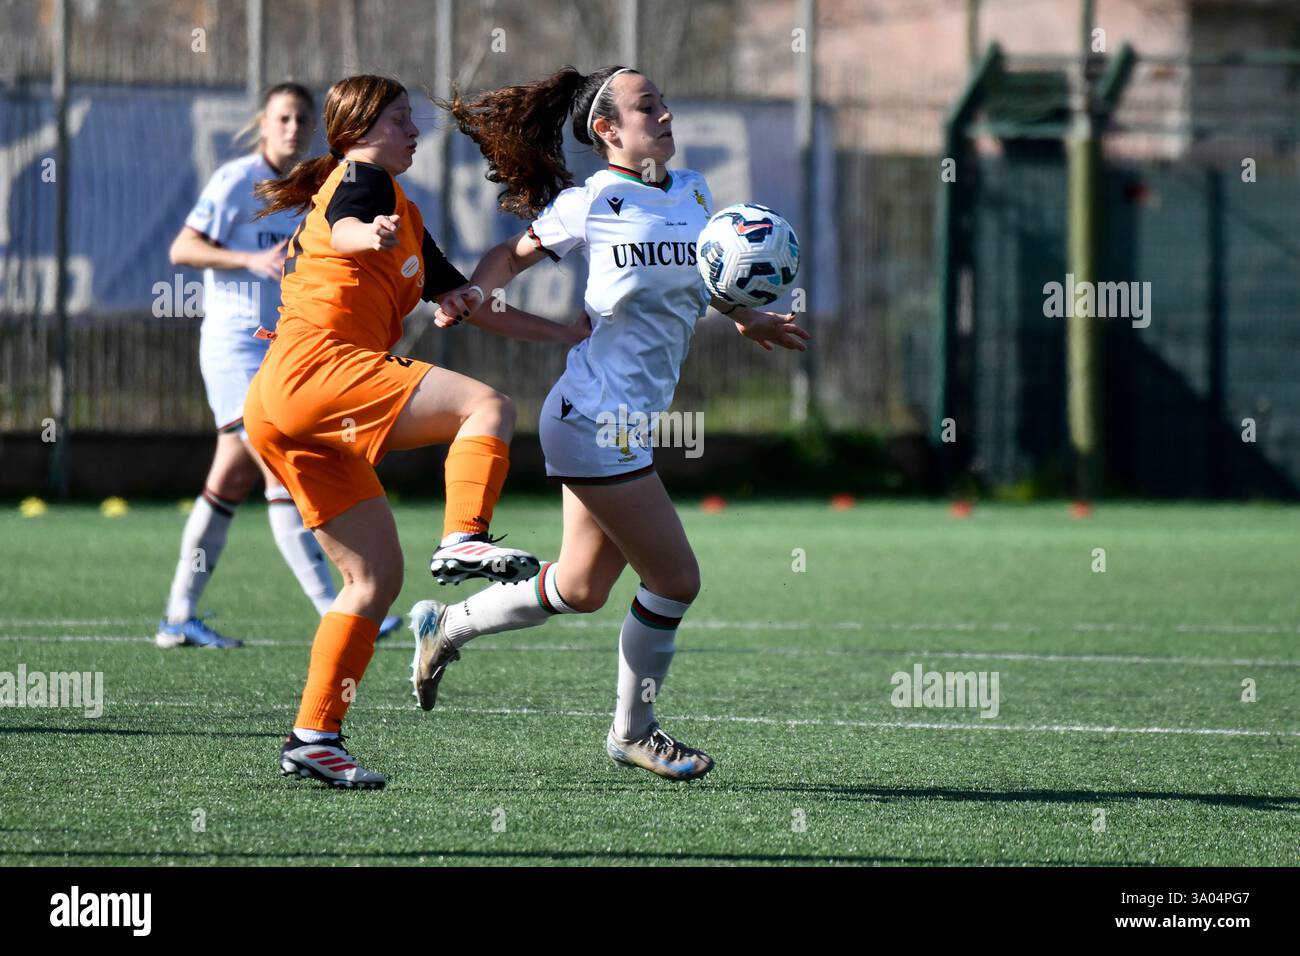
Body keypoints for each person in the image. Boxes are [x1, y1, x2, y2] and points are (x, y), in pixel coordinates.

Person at [411, 66, 809, 781]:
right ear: (607, 130)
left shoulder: (694, 195)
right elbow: (509, 254)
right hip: (592, 418)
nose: (665, 113)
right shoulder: (591, 202)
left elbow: (708, 281)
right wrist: (476, 289)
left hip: (625, 423)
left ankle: (448, 625)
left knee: (579, 589)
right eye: (647, 105)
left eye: (664, 101)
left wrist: (745, 316)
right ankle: (634, 730)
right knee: (677, 580)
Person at [245, 74, 588, 789]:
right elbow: (346, 221)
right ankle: (464, 535)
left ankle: (315, 736)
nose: (413, 130)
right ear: (358, 130)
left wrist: (562, 332)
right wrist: (356, 232)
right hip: (317, 375)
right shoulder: (363, 180)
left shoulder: (401, 210)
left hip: (281, 404)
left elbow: (474, 303)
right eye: (399, 118)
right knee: (487, 409)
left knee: (373, 579)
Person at [157, 82, 401, 649]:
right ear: (263, 123)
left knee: (229, 478)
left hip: (283, 350)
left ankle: (177, 616)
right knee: (281, 467)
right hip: (235, 347)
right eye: (283, 118)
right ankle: (335, 604)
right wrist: (248, 258)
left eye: (301, 120)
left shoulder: (313, 186)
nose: (293, 129)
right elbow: (182, 249)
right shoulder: (235, 180)